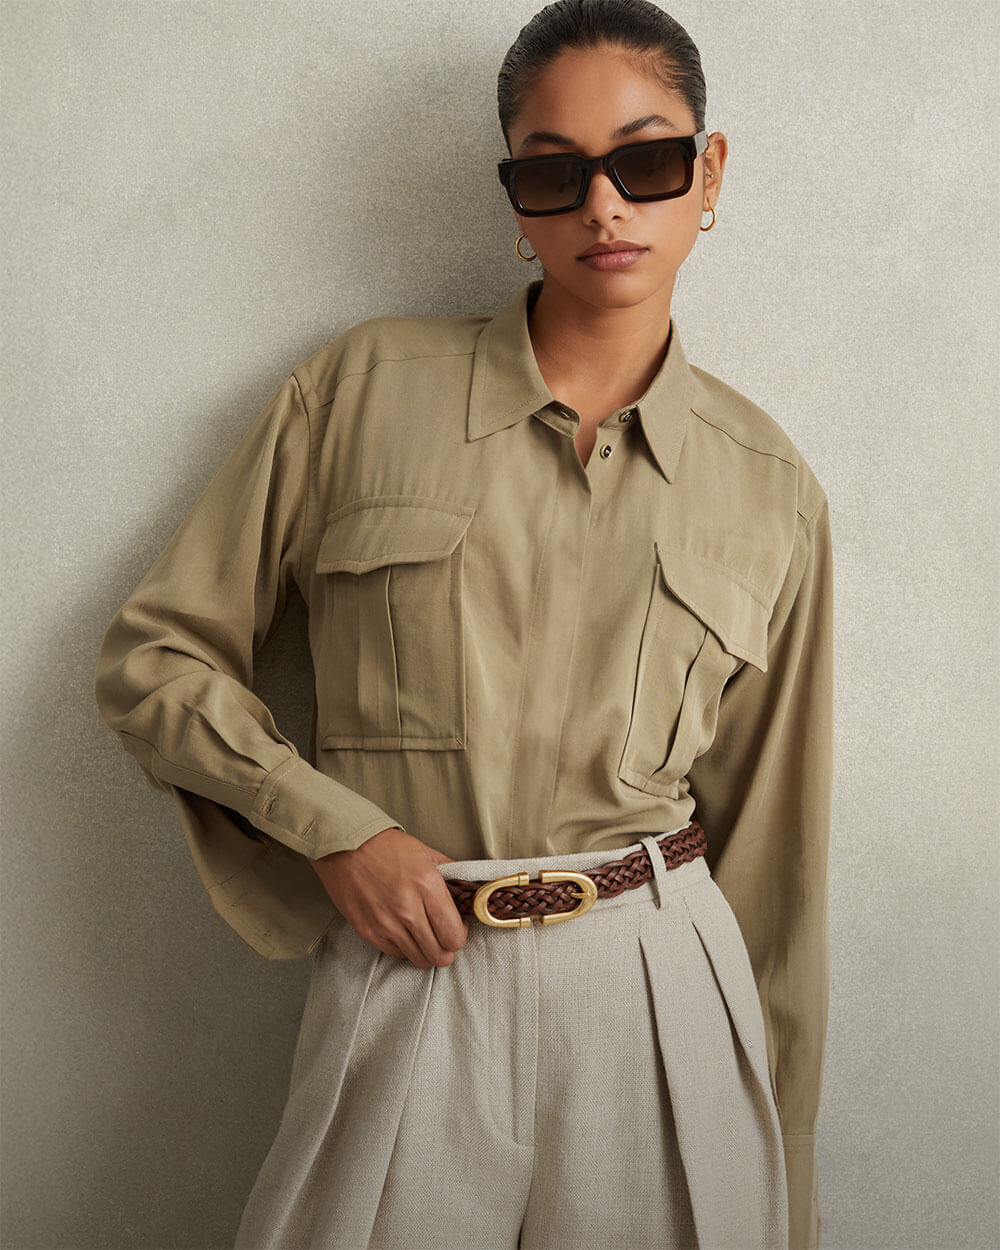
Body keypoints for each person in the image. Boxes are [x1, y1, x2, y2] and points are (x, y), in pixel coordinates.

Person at [94, 1, 834, 1247]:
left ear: (708, 174)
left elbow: (775, 855)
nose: (604, 207)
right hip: (413, 971)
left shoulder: (771, 487)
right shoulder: (359, 392)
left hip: (659, 990)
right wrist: (333, 830)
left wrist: (783, 1173)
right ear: (516, 201)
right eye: (555, 172)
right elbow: (155, 659)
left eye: (647, 161)